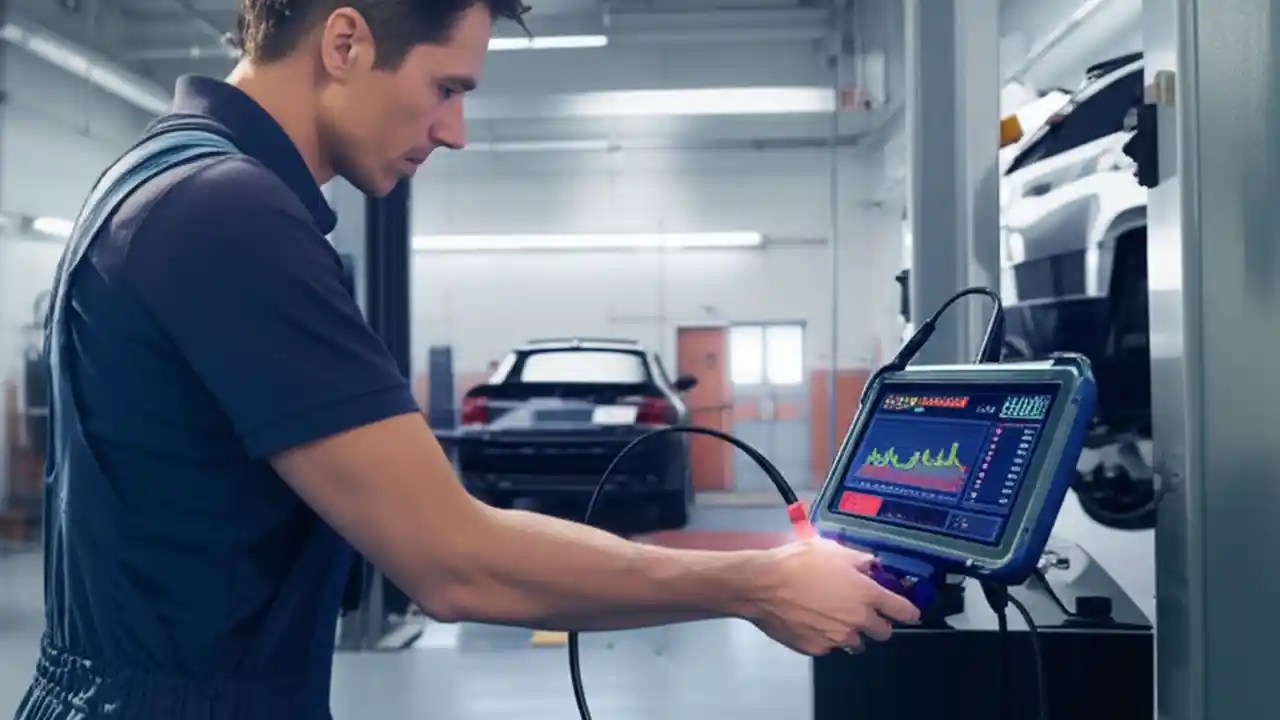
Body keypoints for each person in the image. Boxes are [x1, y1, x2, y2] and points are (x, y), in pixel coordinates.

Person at [15, 1, 919, 718]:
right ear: (343, 41)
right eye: (448, 87)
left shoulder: (148, 176)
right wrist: (756, 584)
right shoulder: (229, 216)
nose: (455, 132)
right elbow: (452, 560)